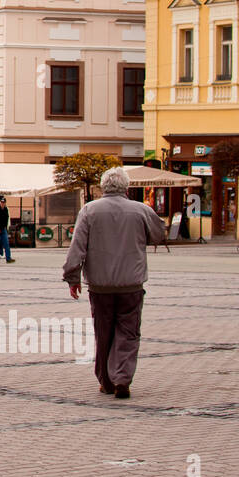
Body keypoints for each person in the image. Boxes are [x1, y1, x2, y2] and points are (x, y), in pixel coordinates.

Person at [61, 167, 166, 400]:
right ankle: (122, 378)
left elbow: (76, 247)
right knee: (128, 333)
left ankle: (106, 381)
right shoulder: (141, 210)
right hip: (131, 285)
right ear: (127, 187)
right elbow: (160, 233)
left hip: (100, 286)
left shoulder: (89, 211)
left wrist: (72, 277)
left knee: (103, 332)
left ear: (103, 186)